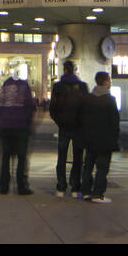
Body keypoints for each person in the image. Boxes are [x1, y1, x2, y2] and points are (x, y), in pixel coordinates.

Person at [79, 72, 119, 203]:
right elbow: (114, 122)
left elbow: (82, 119)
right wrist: (114, 138)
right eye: (109, 80)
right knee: (102, 167)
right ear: (106, 82)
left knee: (88, 166)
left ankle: (85, 192)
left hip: (89, 138)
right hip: (104, 139)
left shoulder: (88, 98)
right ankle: (97, 194)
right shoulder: (110, 100)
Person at [49, 60, 88, 198]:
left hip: (64, 127)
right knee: (77, 158)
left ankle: (61, 187)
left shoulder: (58, 86)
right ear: (74, 70)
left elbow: (52, 108)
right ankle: (75, 187)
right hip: (78, 128)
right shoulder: (83, 86)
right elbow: (86, 108)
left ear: (64, 70)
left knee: (62, 158)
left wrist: (60, 122)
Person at [0, 73, 37, 194]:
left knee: (5, 157)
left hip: (6, 126)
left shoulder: (5, 85)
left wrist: (0, 122)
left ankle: (4, 185)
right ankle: (21, 185)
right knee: (21, 157)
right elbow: (29, 106)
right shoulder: (24, 86)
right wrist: (29, 122)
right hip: (21, 126)